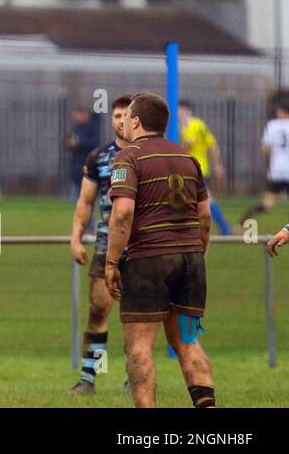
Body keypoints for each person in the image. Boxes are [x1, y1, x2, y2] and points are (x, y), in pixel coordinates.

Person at [105, 92, 214, 409]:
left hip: (148, 262)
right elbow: (204, 217)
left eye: (125, 117)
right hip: (190, 261)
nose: (121, 122)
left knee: (138, 346)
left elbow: (123, 214)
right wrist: (196, 255)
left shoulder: (128, 158)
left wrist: (112, 262)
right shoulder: (188, 158)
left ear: (136, 121)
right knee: (188, 341)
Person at [68, 94, 130, 394]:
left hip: (143, 250)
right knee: (98, 310)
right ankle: (88, 380)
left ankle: (135, 379)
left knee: (137, 319)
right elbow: (85, 201)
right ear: (112, 120)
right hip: (106, 248)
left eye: (126, 115)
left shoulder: (150, 155)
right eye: (116, 116)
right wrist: (76, 238)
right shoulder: (99, 157)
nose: (121, 121)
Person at [240, 102, 289, 229]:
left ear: (283, 111)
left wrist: (275, 155)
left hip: (276, 170)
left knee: (267, 204)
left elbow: (265, 148)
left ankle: (242, 224)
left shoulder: (272, 125)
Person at [178, 101, 231, 235]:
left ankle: (225, 229)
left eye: (179, 110)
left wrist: (178, 135)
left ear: (186, 110)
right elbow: (212, 145)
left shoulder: (190, 126)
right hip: (200, 169)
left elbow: (188, 145)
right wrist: (217, 165)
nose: (177, 113)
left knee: (204, 200)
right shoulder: (200, 124)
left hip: (192, 169)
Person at [65, 106, 101, 200]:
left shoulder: (92, 126)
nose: (75, 118)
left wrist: (78, 142)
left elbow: (94, 143)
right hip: (76, 167)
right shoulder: (76, 127)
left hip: (87, 166)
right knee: (76, 198)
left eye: (77, 115)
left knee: (87, 198)